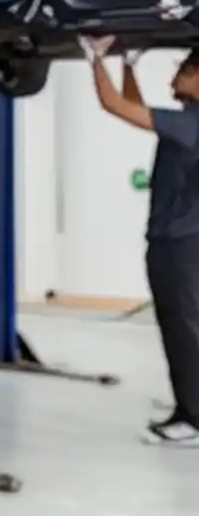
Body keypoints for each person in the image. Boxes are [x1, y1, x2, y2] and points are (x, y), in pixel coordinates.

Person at [80, 35, 199, 446]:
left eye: (185, 70)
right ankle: (188, 410)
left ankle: (193, 420)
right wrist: (127, 64)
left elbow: (113, 105)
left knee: (185, 331)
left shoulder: (190, 124)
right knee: (179, 329)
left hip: (181, 246)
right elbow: (134, 106)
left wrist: (94, 58)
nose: (176, 74)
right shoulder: (186, 119)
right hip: (173, 243)